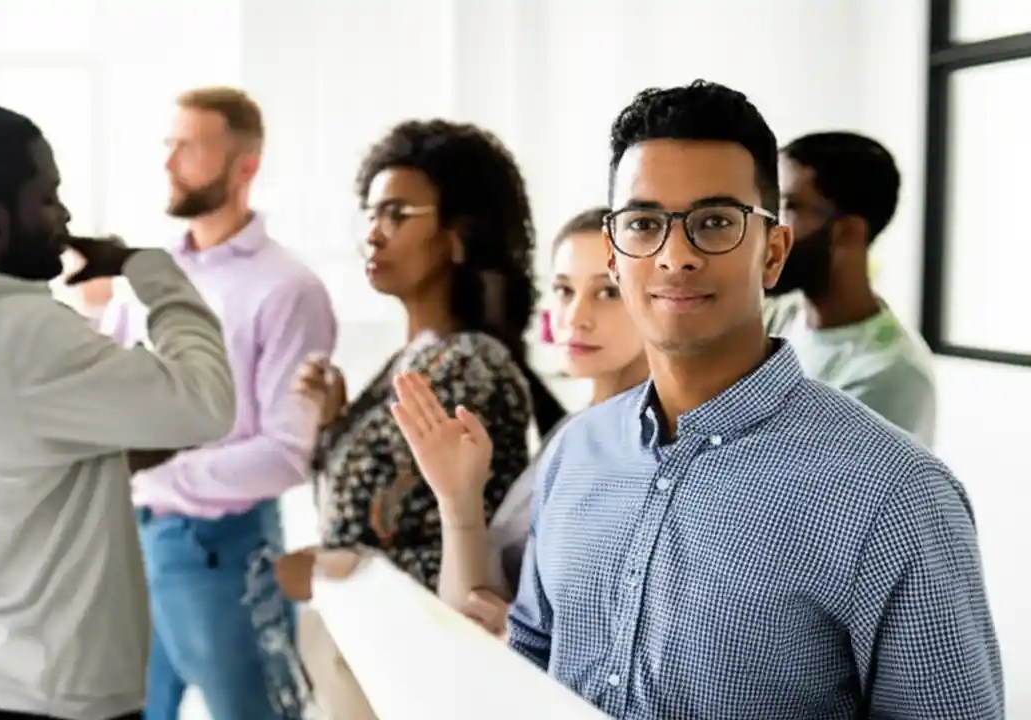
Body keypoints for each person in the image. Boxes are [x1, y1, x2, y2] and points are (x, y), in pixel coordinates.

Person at [411, 82, 1003, 717]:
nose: (675, 256)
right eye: (643, 225)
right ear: (614, 255)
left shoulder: (896, 495)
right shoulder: (576, 454)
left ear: (772, 252)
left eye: (715, 223)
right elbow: (530, 663)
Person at [0, 101, 235, 720]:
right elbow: (206, 402)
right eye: (47, 198)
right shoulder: (25, 334)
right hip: (53, 697)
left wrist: (142, 430)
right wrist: (147, 269)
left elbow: (36, 466)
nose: (65, 216)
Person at [277, 119, 564, 719]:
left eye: (397, 214)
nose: (373, 236)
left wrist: (344, 571)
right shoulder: (414, 358)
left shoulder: (466, 366)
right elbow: (368, 514)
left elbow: (471, 553)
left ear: (458, 234)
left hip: (412, 670)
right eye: (370, 215)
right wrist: (332, 426)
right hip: (365, 656)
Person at [98, 86, 336, 720]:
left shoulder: (288, 289)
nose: (169, 162)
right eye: (167, 145)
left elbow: (288, 453)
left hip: (222, 555)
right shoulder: (145, 275)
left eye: (189, 148)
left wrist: (153, 470)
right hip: (129, 541)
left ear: (244, 166)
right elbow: (108, 387)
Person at [390, 206, 649, 635]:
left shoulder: (652, 452)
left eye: (608, 293)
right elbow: (468, 612)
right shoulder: (571, 434)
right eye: (564, 291)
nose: (575, 317)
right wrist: (459, 500)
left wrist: (521, 637)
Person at [766, 131, 936, 446]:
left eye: (789, 208)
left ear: (847, 231)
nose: (770, 231)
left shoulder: (890, 374)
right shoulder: (777, 318)